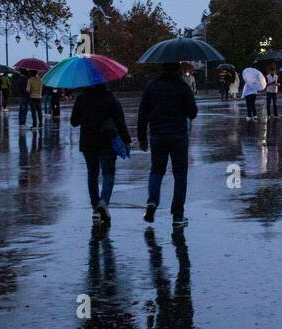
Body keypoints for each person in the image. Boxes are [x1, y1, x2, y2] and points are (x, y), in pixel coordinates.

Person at [137, 62, 198, 226]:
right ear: (178, 69)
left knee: (156, 171)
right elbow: (192, 112)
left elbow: (142, 113)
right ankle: (178, 214)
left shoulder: (152, 86)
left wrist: (141, 137)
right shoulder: (182, 87)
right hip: (178, 134)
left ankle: (152, 201)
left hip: (157, 135)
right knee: (180, 175)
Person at [70, 82, 130, 223]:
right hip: (106, 141)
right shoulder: (110, 98)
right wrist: (127, 140)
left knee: (92, 174)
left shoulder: (82, 98)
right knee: (108, 174)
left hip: (87, 142)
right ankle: (104, 202)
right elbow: (120, 121)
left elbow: (74, 122)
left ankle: (95, 207)